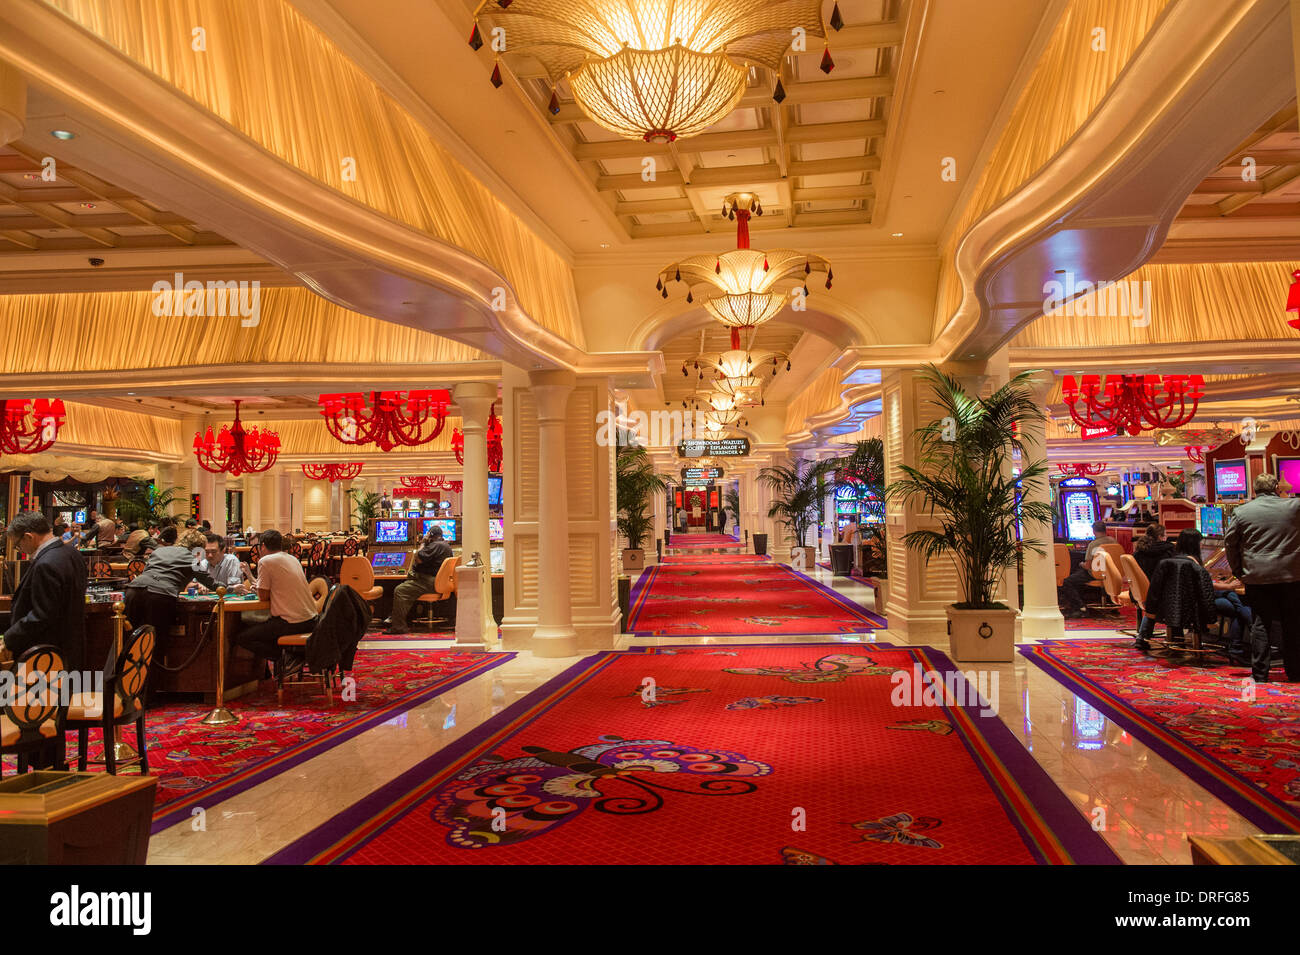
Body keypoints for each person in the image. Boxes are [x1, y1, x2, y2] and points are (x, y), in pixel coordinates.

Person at [0, 512, 87, 769]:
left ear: (29, 536)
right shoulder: (70, 553)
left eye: (18, 544)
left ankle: (45, 773)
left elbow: (42, 615)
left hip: (45, 657)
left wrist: (9, 639)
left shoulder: (47, 563)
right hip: (64, 650)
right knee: (49, 720)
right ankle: (51, 769)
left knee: (37, 720)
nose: (20, 550)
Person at [1225, 473, 1300, 682]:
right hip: (1291, 575)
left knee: (1261, 623)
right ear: (1276, 487)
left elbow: (1230, 544)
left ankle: (1259, 674)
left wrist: (1238, 570)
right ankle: (1295, 672)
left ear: (1254, 489)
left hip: (1257, 576)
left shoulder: (1242, 511)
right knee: (1292, 624)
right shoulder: (1294, 506)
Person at [123, 528, 217, 666]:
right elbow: (211, 583)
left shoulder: (159, 551)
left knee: (128, 640)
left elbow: (147, 571)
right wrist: (233, 588)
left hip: (134, 590)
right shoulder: (193, 559)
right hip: (159, 597)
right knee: (154, 645)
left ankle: (119, 684)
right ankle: (150, 686)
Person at [234, 529, 319, 667]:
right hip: (311, 619)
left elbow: (263, 596)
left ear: (262, 546)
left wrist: (258, 589)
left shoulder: (265, 561)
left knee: (243, 637)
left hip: (292, 622)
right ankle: (283, 661)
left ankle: (287, 659)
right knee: (262, 629)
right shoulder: (292, 558)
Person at [1134, 529, 1217, 652]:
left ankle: (1147, 638)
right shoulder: (1184, 560)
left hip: (1159, 603)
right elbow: (1204, 589)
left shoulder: (1143, 552)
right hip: (1189, 608)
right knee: (1233, 600)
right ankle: (1238, 645)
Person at [386, 526, 454, 634]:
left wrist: (422, 542)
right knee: (409, 581)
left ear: (430, 536)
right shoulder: (446, 546)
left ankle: (398, 626)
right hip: (439, 582)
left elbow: (418, 557)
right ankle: (394, 616)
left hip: (430, 582)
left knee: (400, 590)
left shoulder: (435, 545)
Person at [1060, 521, 1118, 617]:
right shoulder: (1114, 541)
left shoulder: (1093, 544)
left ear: (1094, 531)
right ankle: (1110, 603)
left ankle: (1080, 607)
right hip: (1110, 573)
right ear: (1105, 529)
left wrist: (1081, 564)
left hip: (1094, 574)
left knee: (1067, 581)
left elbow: (1088, 566)